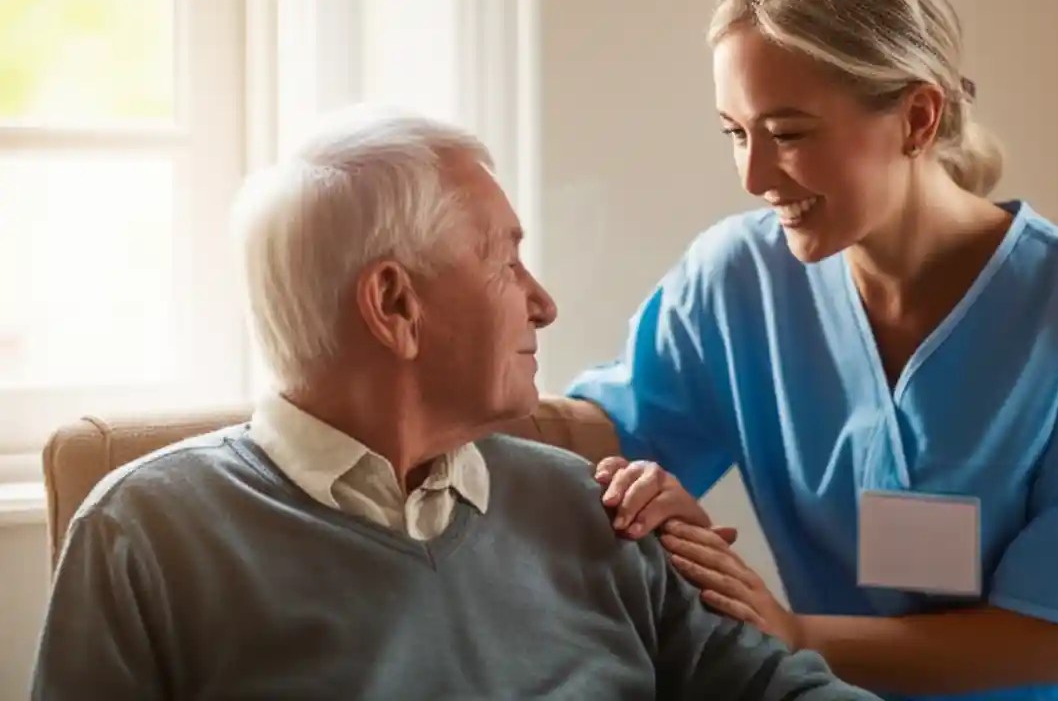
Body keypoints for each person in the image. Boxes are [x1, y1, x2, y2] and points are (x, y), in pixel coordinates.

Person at [30, 107, 878, 700]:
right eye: (504, 262)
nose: (542, 304)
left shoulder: (594, 505)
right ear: (395, 305)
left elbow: (773, 686)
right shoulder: (144, 534)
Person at [563, 0, 1058, 698]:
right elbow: (612, 434)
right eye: (736, 133)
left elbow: (1053, 640)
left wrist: (794, 635)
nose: (754, 175)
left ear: (917, 118)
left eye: (787, 133)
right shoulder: (737, 282)